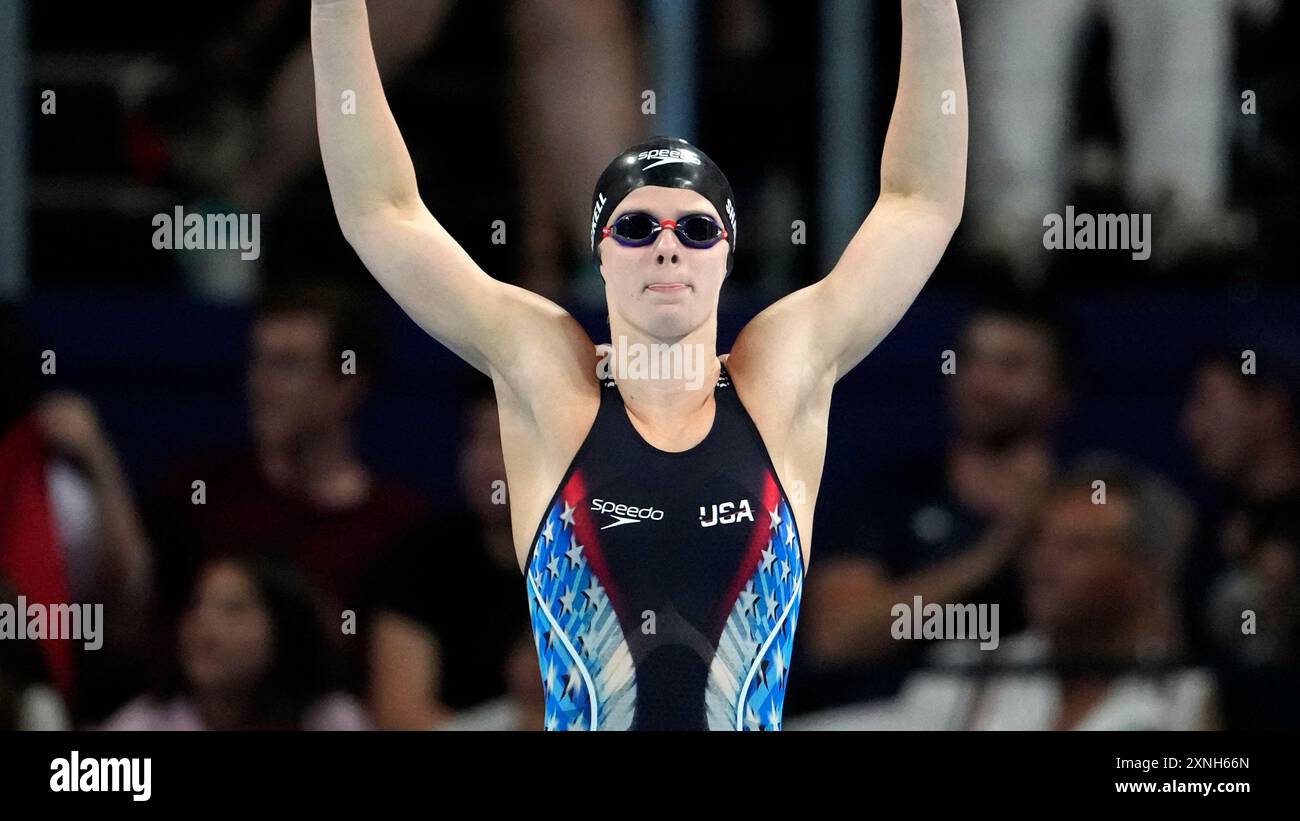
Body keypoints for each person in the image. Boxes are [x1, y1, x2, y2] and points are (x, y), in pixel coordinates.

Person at [311, 0, 966, 729]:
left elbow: (920, 203)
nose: (666, 245)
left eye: (694, 228)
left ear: (726, 253)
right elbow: (381, 210)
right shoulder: (549, 377)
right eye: (634, 227)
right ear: (599, 253)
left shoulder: (778, 378)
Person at [791, 454, 1218, 731]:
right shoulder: (973, 671)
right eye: (1039, 542)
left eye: (1079, 547)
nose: (1045, 564)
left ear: (1143, 569)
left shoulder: (1188, 698)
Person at [102, 555, 370, 731]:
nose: (204, 623)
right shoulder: (146, 722)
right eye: (196, 605)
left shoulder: (332, 719)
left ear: (285, 630)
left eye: (234, 608)